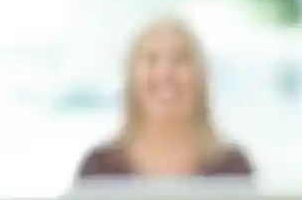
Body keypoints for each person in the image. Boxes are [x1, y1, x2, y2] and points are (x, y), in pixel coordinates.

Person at [76, 18, 253, 181]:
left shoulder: (232, 168)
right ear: (132, 77)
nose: (166, 73)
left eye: (180, 60)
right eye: (152, 60)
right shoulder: (99, 169)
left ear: (201, 77)